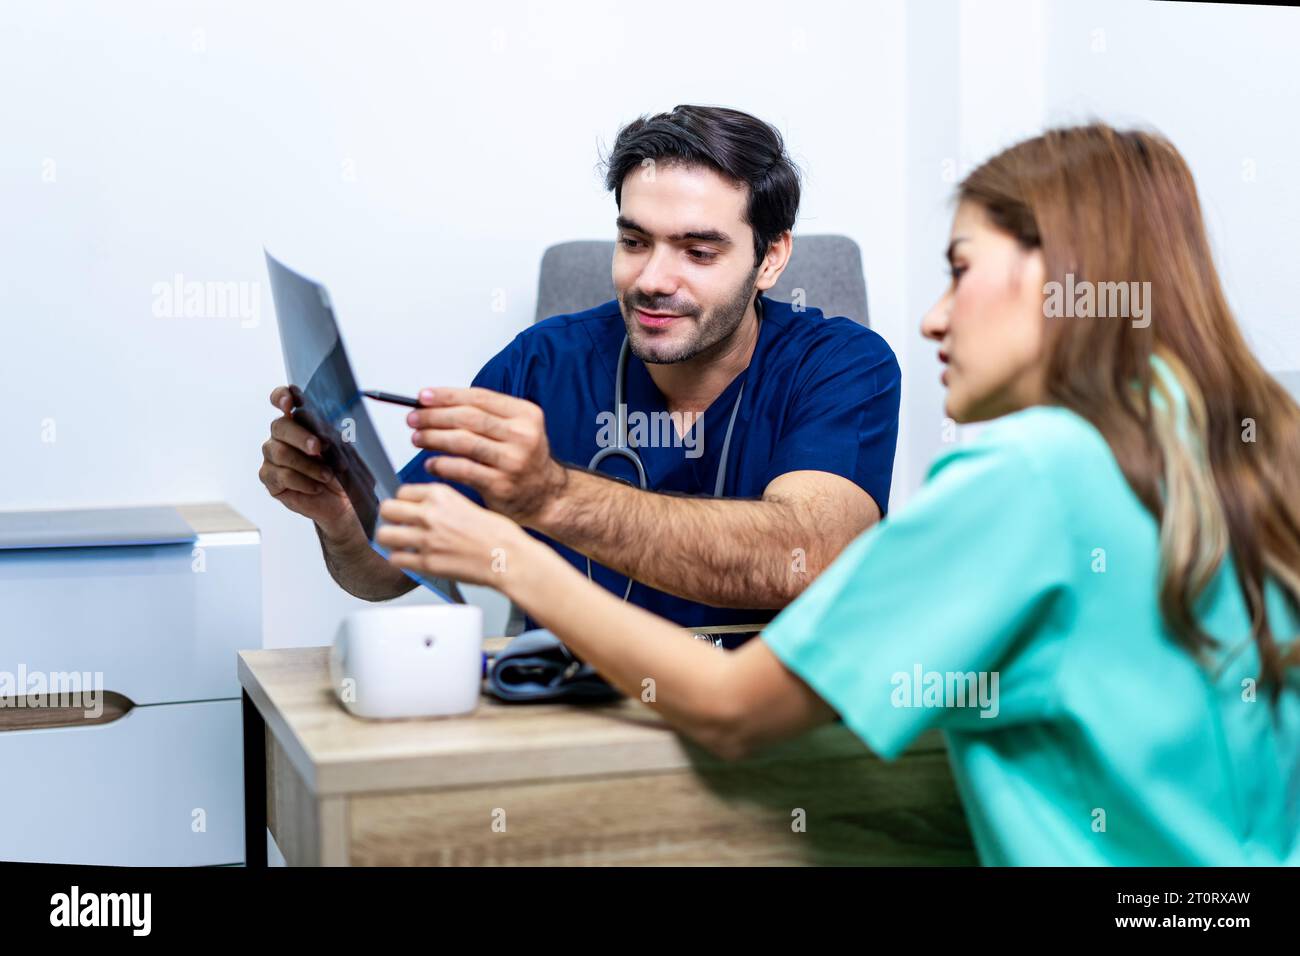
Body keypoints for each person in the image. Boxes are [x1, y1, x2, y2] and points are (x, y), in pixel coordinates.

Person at [375, 124, 1300, 865]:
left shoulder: (1027, 474)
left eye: (961, 270)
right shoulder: (1228, 436)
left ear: (1063, 280)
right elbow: (382, 554)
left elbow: (735, 707)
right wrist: (351, 513)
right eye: (633, 241)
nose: (936, 313)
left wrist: (511, 545)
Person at [259, 105, 901, 644]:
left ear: (771, 258)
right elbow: (385, 571)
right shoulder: (544, 363)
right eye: (634, 241)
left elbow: (807, 558)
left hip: (765, 729)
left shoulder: (842, 366)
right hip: (572, 721)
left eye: (698, 252)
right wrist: (342, 518)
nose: (652, 280)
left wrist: (552, 494)